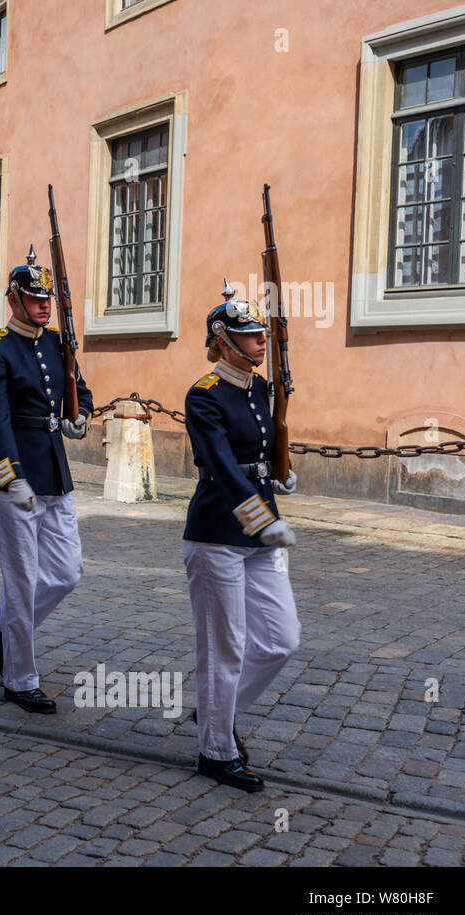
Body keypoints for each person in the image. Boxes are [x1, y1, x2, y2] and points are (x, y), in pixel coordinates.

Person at [183, 283, 300, 793]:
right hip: (218, 532)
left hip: (260, 529)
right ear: (223, 341)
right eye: (249, 335)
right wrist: (261, 516)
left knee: (281, 640)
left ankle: (214, 713)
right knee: (224, 647)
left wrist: (281, 473)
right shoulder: (203, 395)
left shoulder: (260, 389)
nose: (259, 341)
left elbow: (260, 449)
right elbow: (220, 465)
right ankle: (215, 749)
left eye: (260, 333)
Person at [0, 249, 93, 716]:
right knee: (21, 580)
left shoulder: (57, 342)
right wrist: (10, 475)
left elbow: (77, 388)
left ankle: (2, 627)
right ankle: (20, 678)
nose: (43, 306)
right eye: (34, 299)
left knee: (66, 572)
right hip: (14, 475)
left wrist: (79, 415)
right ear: (14, 300)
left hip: (54, 471)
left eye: (47, 299)